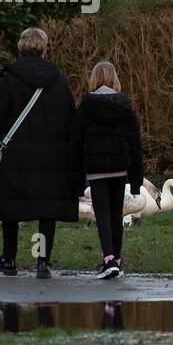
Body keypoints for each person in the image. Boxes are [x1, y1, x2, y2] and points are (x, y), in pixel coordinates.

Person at [0, 27, 79, 278]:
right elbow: (72, 118)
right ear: (45, 48)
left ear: (20, 46)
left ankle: (9, 258)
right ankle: (43, 263)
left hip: (16, 155)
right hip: (52, 156)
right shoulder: (58, 80)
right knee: (47, 209)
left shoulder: (9, 78)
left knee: (11, 205)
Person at [70, 61, 144, 279]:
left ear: (94, 78)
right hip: (119, 168)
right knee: (115, 213)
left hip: (96, 168)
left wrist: (75, 178)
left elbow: (76, 142)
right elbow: (134, 142)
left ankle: (108, 259)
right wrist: (137, 179)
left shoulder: (86, 106)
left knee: (101, 213)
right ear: (114, 78)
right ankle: (117, 260)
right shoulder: (125, 106)